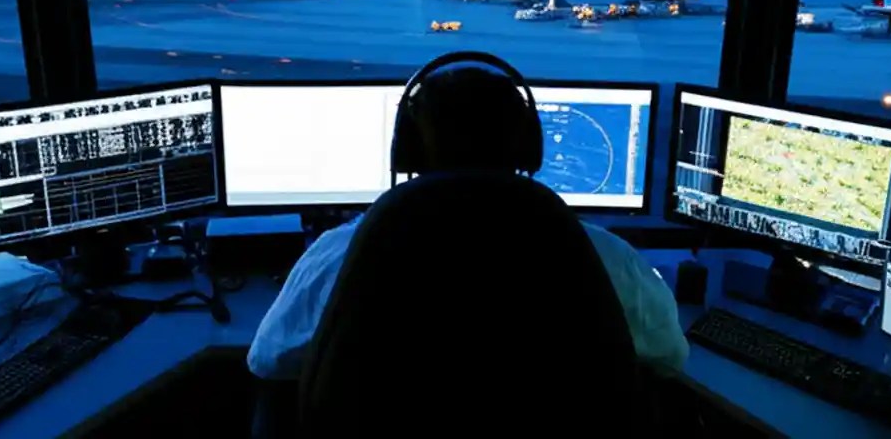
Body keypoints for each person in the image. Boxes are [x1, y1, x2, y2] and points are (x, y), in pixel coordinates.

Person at [247, 64, 689, 381]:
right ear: (529, 151)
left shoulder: (342, 254)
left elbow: (266, 361)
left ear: (406, 154)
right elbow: (669, 357)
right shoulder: (605, 260)